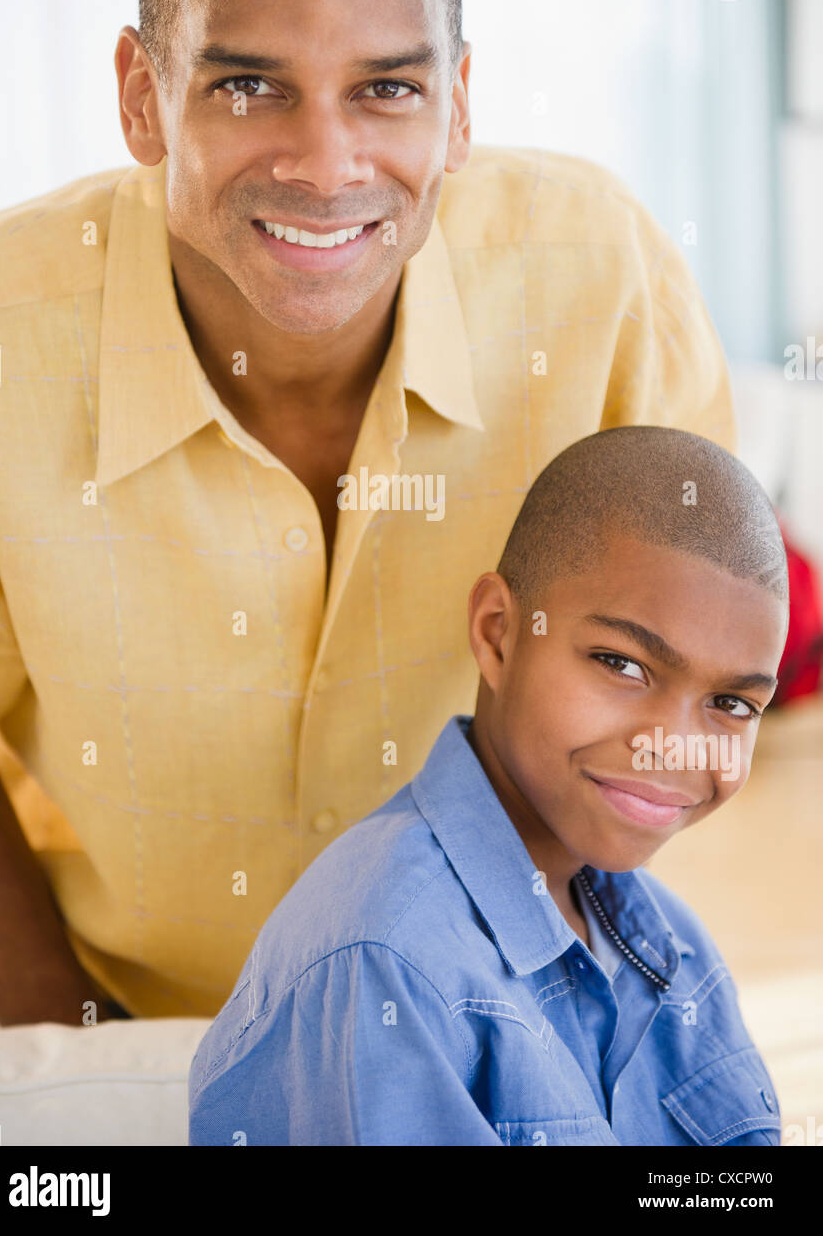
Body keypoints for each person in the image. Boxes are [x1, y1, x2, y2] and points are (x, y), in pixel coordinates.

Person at [0, 0, 737, 1025]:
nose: (326, 168)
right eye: (246, 86)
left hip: (514, 998)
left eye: (387, 88)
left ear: (460, 98)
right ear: (139, 93)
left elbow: (693, 701)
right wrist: (89, 1049)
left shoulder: (604, 279)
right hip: (143, 1021)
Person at [189, 426, 787, 1146]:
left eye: (730, 705)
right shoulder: (389, 962)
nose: (673, 745)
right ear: (499, 632)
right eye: (622, 664)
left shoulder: (673, 947)